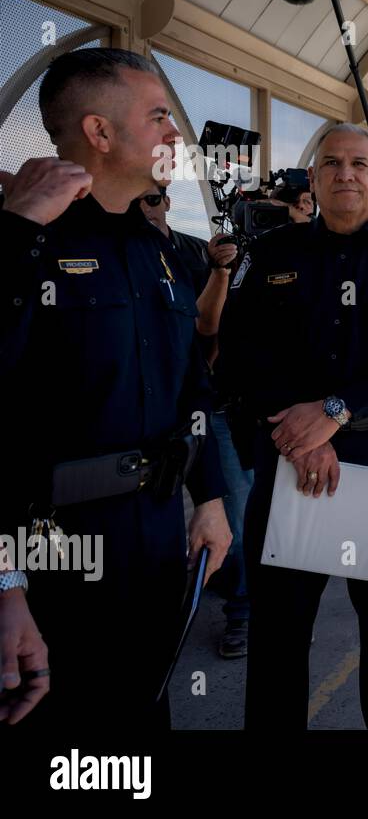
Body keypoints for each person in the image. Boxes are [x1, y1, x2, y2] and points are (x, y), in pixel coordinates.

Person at [0, 48, 231, 728]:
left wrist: (210, 496)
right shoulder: (24, 241)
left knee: (140, 713)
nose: (174, 134)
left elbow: (190, 382)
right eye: (159, 116)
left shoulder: (157, 248)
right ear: (99, 132)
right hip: (53, 543)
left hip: (156, 532)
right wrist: (7, 584)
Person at [218, 123, 368, 729]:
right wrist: (300, 436)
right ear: (314, 179)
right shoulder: (272, 254)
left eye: (359, 164)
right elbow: (238, 354)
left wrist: (336, 412)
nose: (345, 173)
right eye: (331, 163)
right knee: (278, 632)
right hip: (290, 460)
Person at [139, 183, 252, 657]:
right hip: (148, 415)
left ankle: (242, 609)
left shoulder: (190, 251)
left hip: (210, 403)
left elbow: (208, 326)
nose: (143, 205)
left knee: (232, 509)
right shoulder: (117, 251)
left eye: (152, 196)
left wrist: (221, 268)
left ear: (166, 201)